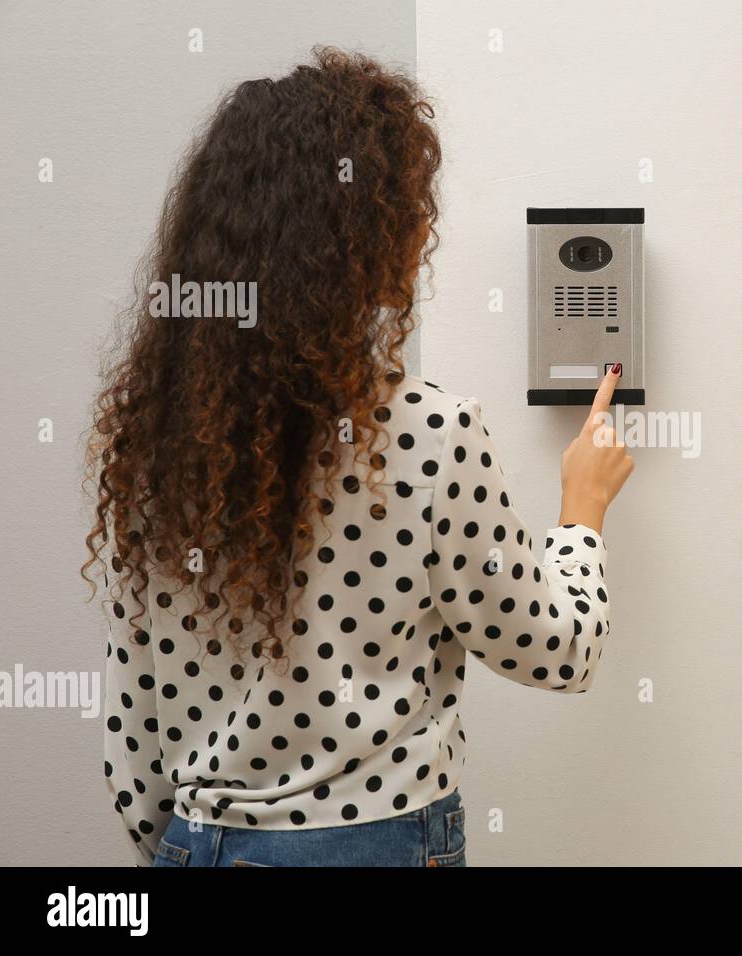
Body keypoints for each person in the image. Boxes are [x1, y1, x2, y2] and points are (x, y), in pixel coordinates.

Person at [84, 48, 633, 867]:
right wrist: (582, 514)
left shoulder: (157, 448)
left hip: (198, 845)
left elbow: (136, 749)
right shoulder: (430, 435)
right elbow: (556, 649)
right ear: (370, 242)